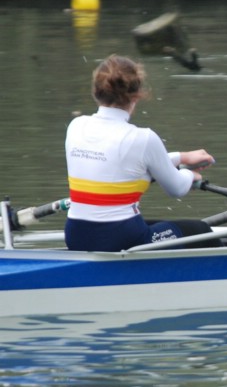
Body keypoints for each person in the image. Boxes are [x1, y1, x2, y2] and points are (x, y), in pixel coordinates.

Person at [64, 54, 217, 252]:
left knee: (158, 224)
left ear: (96, 92)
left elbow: (125, 167)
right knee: (201, 230)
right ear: (136, 95)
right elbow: (177, 188)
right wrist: (190, 175)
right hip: (122, 240)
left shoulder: (76, 126)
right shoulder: (143, 138)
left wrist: (181, 157)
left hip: (76, 236)